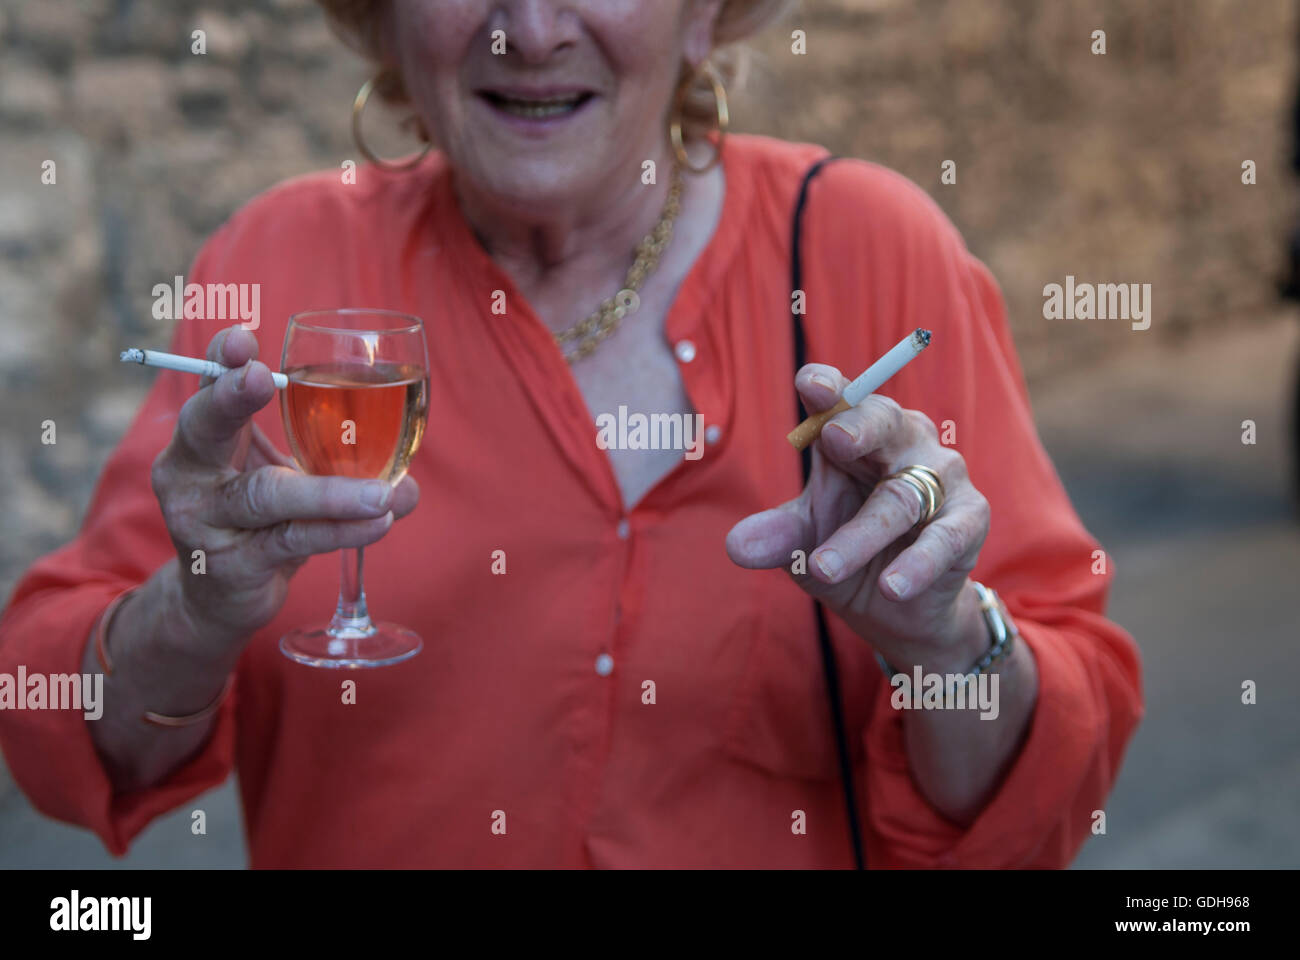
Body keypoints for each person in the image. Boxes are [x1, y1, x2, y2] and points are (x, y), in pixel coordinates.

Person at [0, 0, 1142, 868]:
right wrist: (186, 618)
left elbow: (1053, 788)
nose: (532, 29)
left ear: (704, 14)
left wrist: (943, 642)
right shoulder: (277, 261)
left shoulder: (865, 248)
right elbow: (56, 725)